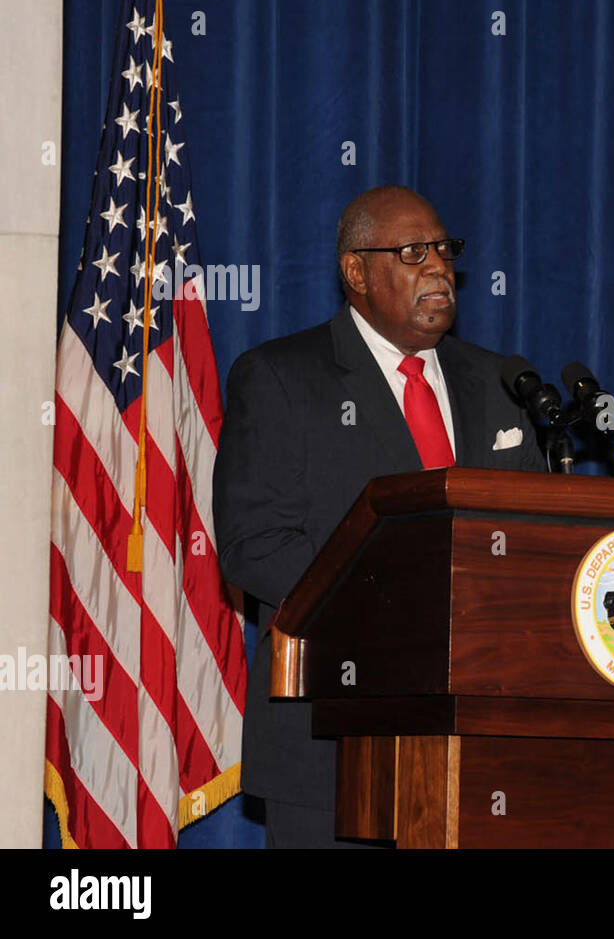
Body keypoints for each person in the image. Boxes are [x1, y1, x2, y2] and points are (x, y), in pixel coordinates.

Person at [213, 185, 548, 847]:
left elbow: (538, 537)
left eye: (445, 251)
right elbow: (255, 544)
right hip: (333, 748)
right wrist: (404, 605)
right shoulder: (282, 377)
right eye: (413, 252)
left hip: (481, 744)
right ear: (356, 272)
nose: (439, 269)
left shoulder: (502, 381)